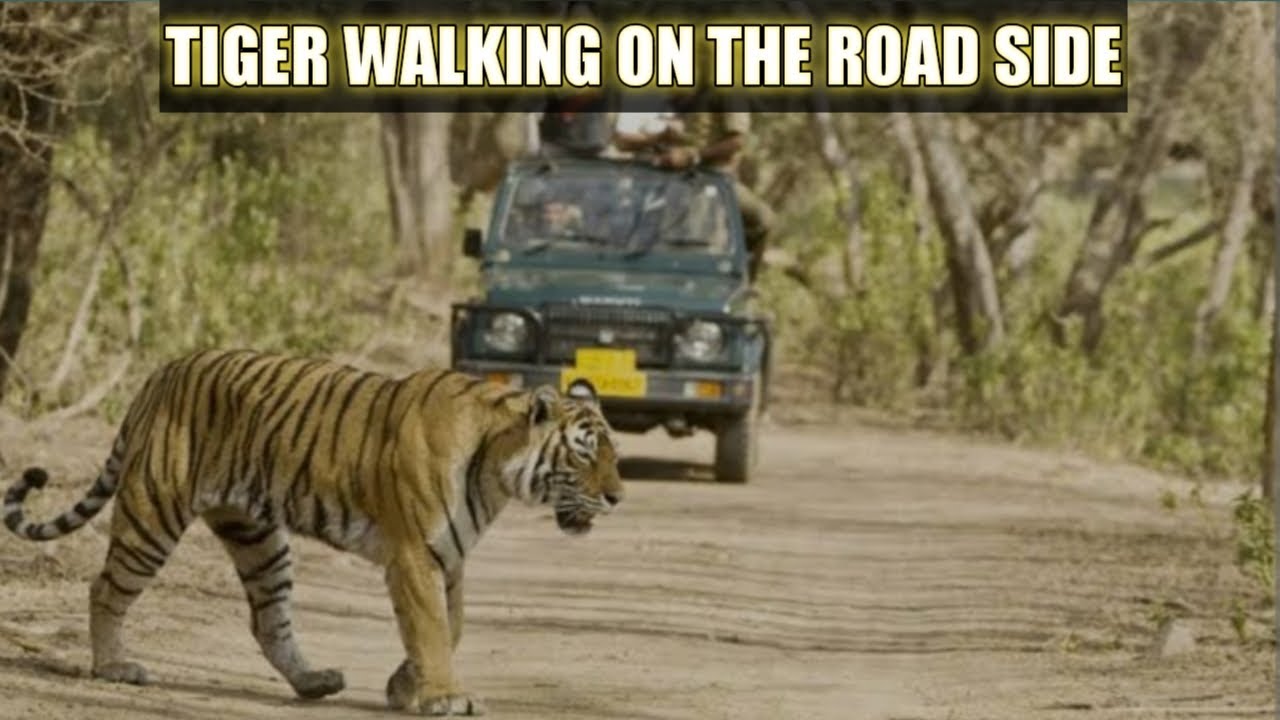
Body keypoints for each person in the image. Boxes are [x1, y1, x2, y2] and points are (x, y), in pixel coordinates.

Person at [613, 97, 776, 280]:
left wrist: (694, 155)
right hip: (672, 174)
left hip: (714, 177)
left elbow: (737, 141)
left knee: (762, 220)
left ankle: (744, 283)